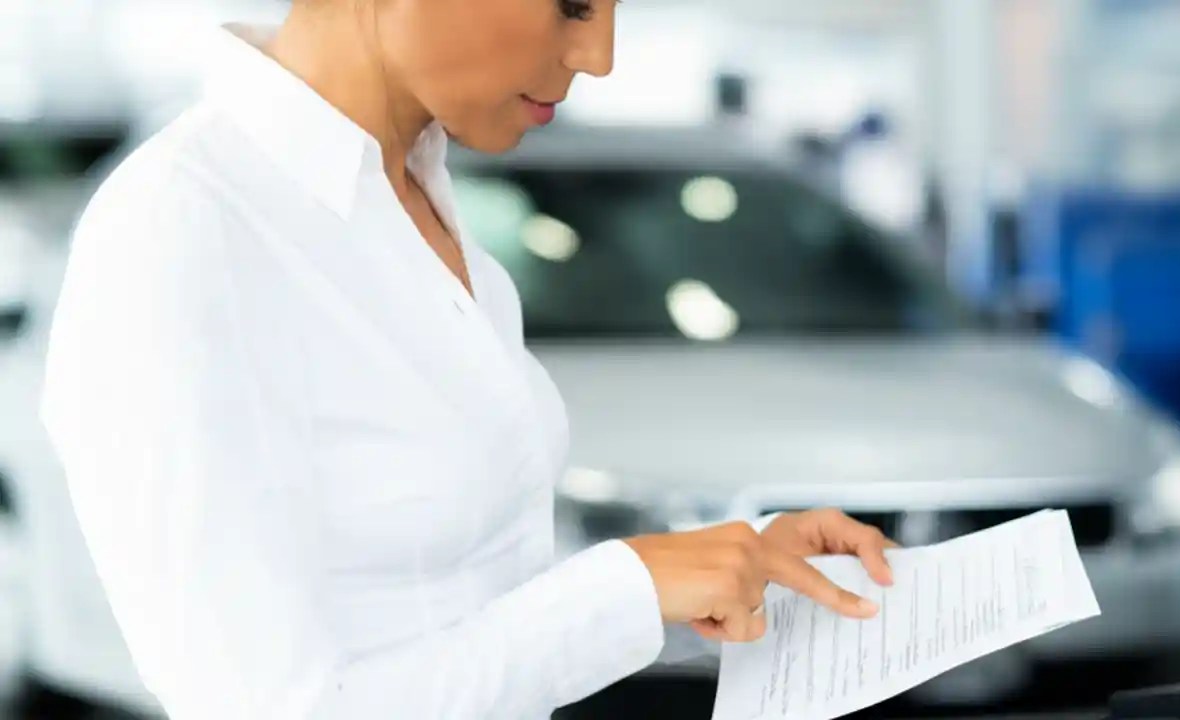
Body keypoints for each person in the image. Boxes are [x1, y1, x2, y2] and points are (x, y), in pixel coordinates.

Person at [38, 2, 895, 718]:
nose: (598, 55)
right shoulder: (181, 227)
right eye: (570, 3)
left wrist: (720, 576)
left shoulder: (419, 205)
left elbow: (459, 603)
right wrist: (626, 587)